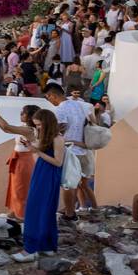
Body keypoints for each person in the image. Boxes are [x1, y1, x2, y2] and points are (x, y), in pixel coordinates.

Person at [10, 109, 65, 260]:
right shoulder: (48, 137)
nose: (38, 128)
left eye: (39, 125)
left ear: (47, 122)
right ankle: (46, 246)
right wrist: (31, 145)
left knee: (35, 209)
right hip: (42, 172)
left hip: (48, 175)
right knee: (45, 209)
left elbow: (58, 162)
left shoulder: (58, 138)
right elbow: (43, 151)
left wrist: (36, 151)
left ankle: (30, 249)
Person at [44, 82, 96, 215]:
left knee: (68, 184)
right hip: (84, 150)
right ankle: (94, 208)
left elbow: (61, 127)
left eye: (47, 98)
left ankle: (69, 213)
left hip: (70, 150)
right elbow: (92, 121)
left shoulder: (60, 109)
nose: (49, 101)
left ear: (52, 96)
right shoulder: (80, 104)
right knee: (83, 184)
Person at [0, 103, 38, 220]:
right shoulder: (25, 127)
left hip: (24, 161)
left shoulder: (29, 130)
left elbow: (7, 127)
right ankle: (14, 212)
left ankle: (21, 216)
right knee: (15, 188)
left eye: (23, 112)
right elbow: (6, 130)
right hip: (19, 160)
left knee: (21, 189)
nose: (20, 114)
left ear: (30, 116)